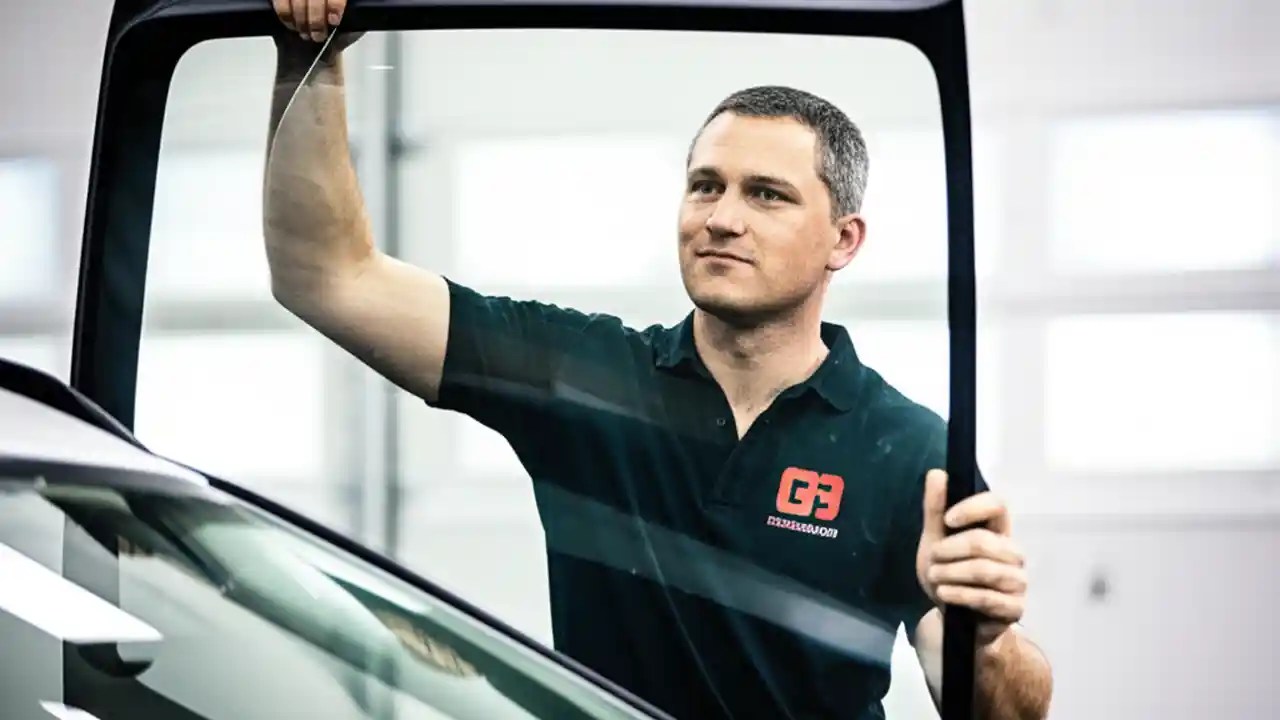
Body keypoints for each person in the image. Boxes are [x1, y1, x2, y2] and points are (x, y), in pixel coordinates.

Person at [264, 2, 1054, 718]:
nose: (722, 218)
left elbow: (1005, 713)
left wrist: (986, 643)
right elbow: (327, 277)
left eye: (766, 194)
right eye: (705, 186)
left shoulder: (910, 451)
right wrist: (310, 58)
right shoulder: (584, 373)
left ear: (843, 240)